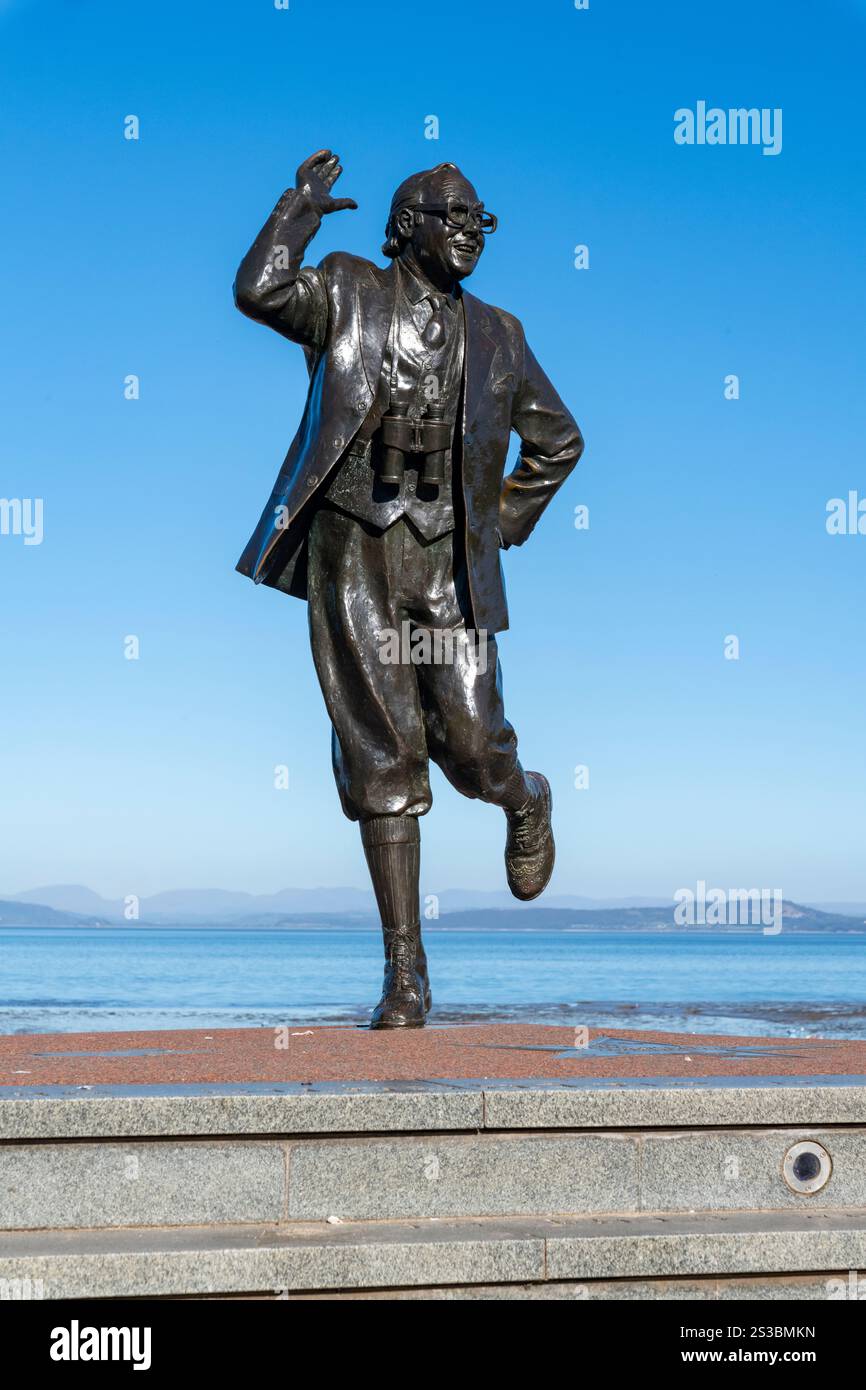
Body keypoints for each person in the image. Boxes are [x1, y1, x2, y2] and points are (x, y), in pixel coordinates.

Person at [235, 149, 584, 1027]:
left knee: (470, 745)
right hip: (353, 544)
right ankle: (407, 975)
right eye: (452, 216)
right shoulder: (349, 290)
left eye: (480, 221)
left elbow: (560, 441)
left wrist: (501, 522)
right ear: (406, 228)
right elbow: (260, 291)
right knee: (381, 756)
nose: (470, 231)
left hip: (448, 564)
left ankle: (523, 794)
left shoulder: (500, 333)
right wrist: (297, 212)